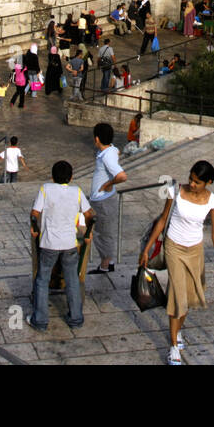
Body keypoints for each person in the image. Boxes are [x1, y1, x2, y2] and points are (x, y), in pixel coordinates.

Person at [140, 161, 214, 365]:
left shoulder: (213, 202)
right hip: (174, 248)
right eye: (190, 179)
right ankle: (173, 348)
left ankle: (177, 331)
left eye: (197, 182)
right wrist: (147, 249)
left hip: (195, 250)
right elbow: (162, 219)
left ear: (208, 182)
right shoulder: (176, 191)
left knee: (187, 297)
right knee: (177, 295)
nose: (192, 184)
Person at [27, 160, 94, 332]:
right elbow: (89, 214)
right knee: (72, 280)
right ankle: (76, 318)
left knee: (42, 280)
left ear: (52, 176)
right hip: (69, 243)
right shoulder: (77, 191)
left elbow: (35, 213)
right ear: (71, 177)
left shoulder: (45, 189)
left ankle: (40, 320)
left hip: (49, 243)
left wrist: (34, 227)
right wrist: (88, 232)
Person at [89, 122, 126, 274]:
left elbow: (122, 176)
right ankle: (108, 261)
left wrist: (107, 184)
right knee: (103, 230)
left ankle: (105, 264)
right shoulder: (110, 150)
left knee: (100, 233)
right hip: (102, 199)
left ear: (97, 139)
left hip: (103, 200)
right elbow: (116, 151)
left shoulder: (107, 157)